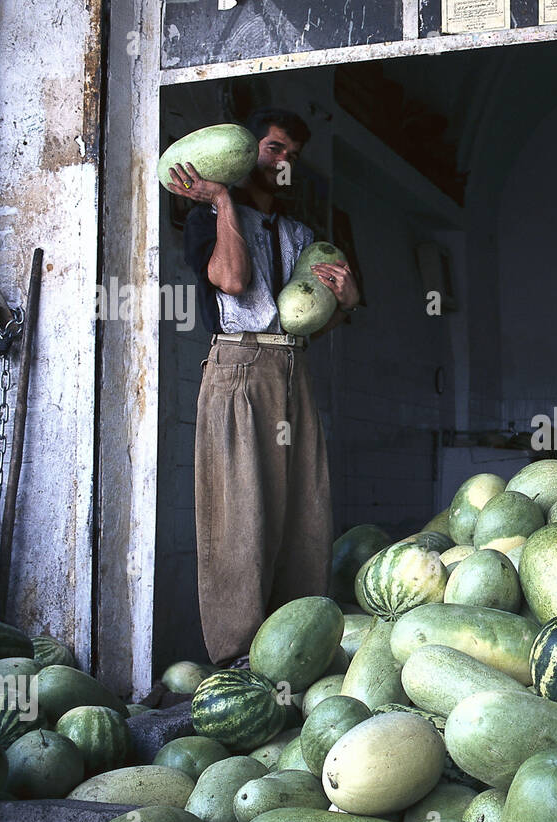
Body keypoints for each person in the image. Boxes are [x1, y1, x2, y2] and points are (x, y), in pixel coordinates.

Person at [166, 107, 361, 667]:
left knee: (305, 512)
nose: (283, 165)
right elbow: (232, 280)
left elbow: (310, 324)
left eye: (292, 157)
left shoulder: (302, 236)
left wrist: (344, 302)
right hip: (239, 368)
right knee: (240, 516)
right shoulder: (209, 219)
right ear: (247, 152)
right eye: (275, 150)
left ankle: (293, 655)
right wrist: (221, 201)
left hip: (292, 370)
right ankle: (236, 663)